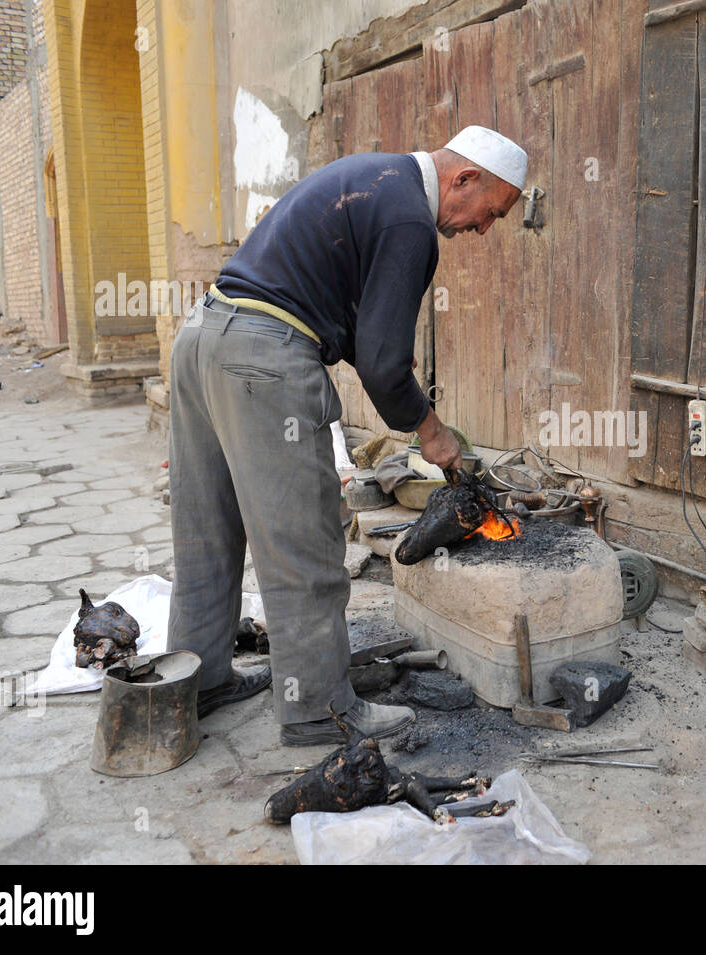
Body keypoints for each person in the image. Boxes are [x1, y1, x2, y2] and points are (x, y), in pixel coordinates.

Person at [166, 126, 527, 745]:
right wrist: (431, 431)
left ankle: (200, 680)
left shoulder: (375, 176)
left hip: (203, 339)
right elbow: (385, 362)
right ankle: (318, 711)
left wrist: (415, 418)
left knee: (207, 529)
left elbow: (365, 342)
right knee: (303, 542)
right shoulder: (411, 221)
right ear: (464, 179)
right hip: (262, 360)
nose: (483, 229)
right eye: (489, 212)